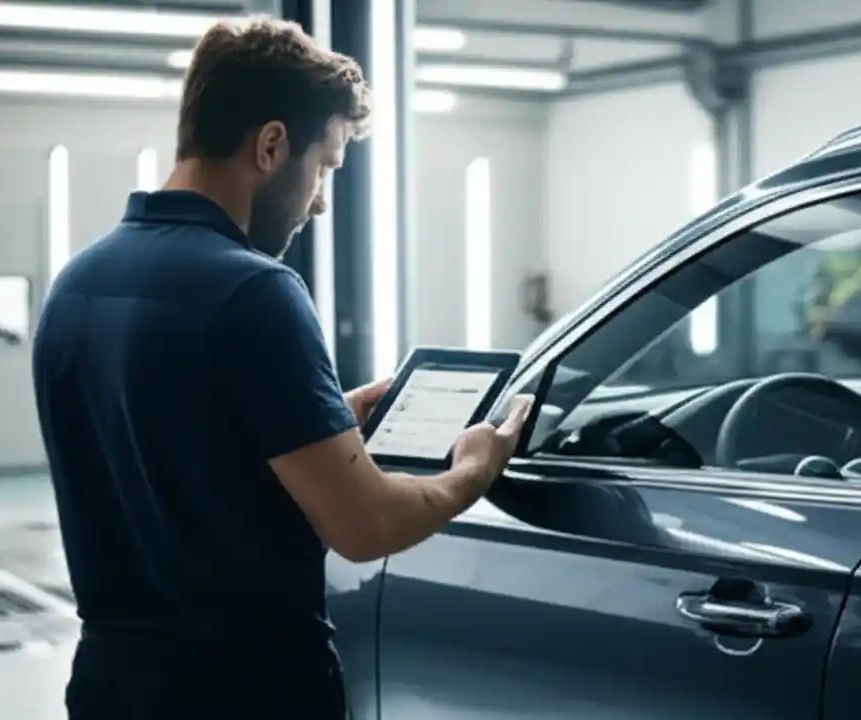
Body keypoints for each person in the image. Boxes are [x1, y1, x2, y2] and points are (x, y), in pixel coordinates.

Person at [31, 16, 531, 720]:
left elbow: (178, 439)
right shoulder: (254, 291)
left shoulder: (77, 284)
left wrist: (316, 420)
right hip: (250, 693)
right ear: (271, 145)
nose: (321, 199)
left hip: (111, 688)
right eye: (323, 167)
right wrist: (473, 469)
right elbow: (367, 527)